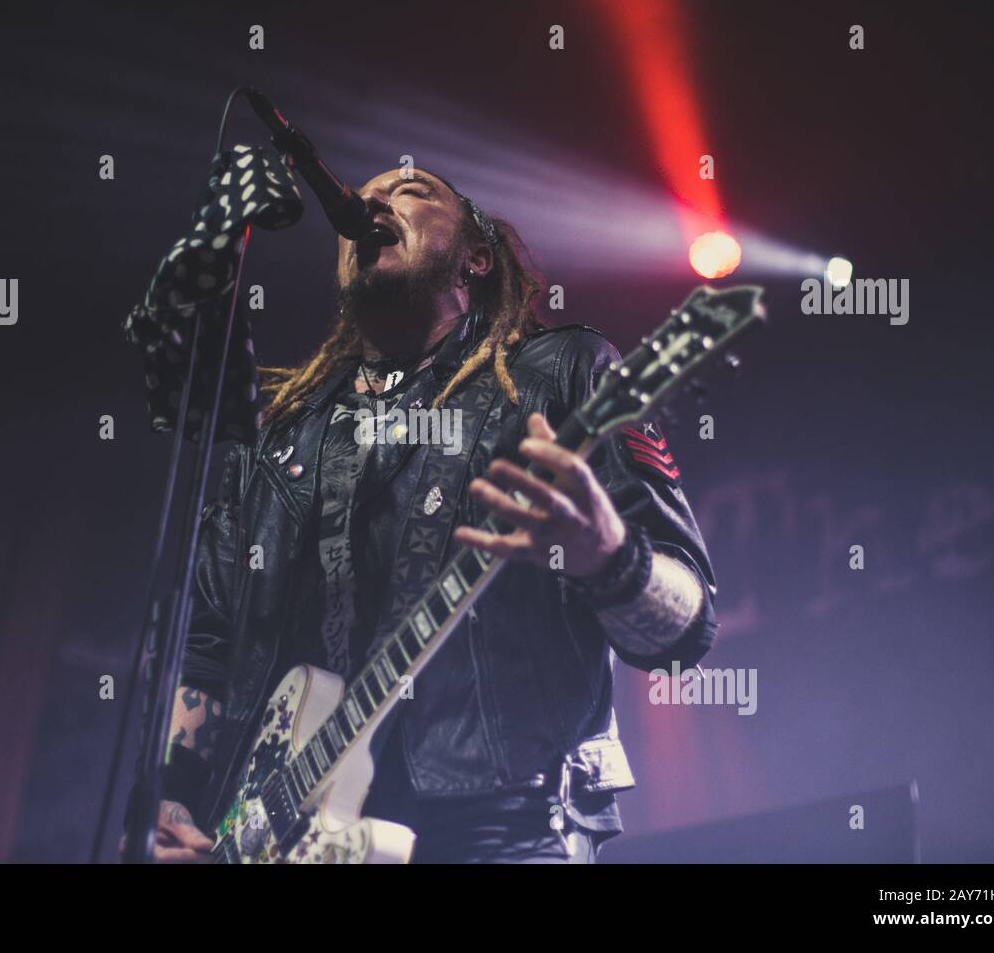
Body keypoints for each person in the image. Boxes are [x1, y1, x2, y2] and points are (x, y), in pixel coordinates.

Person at [146, 167, 718, 863]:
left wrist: (609, 556)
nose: (371, 201)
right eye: (366, 195)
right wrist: (170, 802)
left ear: (476, 258)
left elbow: (685, 631)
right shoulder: (278, 434)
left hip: (503, 821)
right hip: (282, 837)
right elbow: (206, 643)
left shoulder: (561, 371)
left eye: (412, 191)